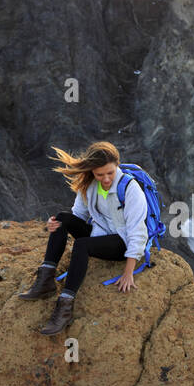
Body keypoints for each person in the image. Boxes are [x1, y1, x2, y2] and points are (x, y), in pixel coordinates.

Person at [18, 140, 149, 335]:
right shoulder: (89, 185)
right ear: (92, 173)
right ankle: (45, 281)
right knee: (62, 218)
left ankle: (64, 307)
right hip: (99, 234)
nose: (105, 179)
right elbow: (78, 216)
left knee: (81, 245)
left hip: (122, 242)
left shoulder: (130, 189)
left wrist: (129, 271)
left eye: (110, 173)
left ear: (117, 166)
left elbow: (138, 231)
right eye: (99, 174)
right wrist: (53, 226)